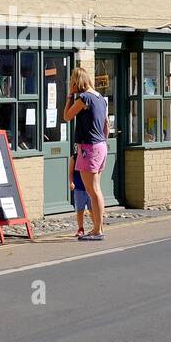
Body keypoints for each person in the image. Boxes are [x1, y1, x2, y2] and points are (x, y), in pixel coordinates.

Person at [63, 66, 109, 240]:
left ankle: (98, 230)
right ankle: (99, 227)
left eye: (72, 82)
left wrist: (69, 96)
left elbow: (67, 116)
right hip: (100, 145)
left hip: (89, 147)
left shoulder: (84, 98)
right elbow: (106, 125)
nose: (71, 85)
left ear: (76, 82)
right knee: (96, 189)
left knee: (93, 190)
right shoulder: (100, 98)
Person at [69, 154, 90, 238]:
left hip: (90, 188)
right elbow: (71, 172)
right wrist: (71, 182)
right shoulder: (74, 158)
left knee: (93, 211)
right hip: (79, 188)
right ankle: (81, 229)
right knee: (80, 211)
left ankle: (97, 228)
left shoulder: (91, 155)